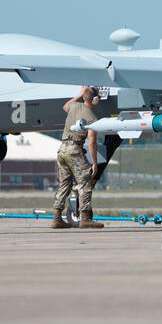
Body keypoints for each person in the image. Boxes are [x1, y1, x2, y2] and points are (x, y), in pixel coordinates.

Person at [53, 86, 103, 229]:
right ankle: (85, 218)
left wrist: (78, 95)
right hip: (74, 150)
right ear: (95, 99)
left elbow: (65, 106)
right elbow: (92, 143)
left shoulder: (74, 106)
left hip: (62, 149)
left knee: (64, 184)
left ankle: (57, 217)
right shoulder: (92, 118)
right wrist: (94, 163)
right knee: (85, 182)